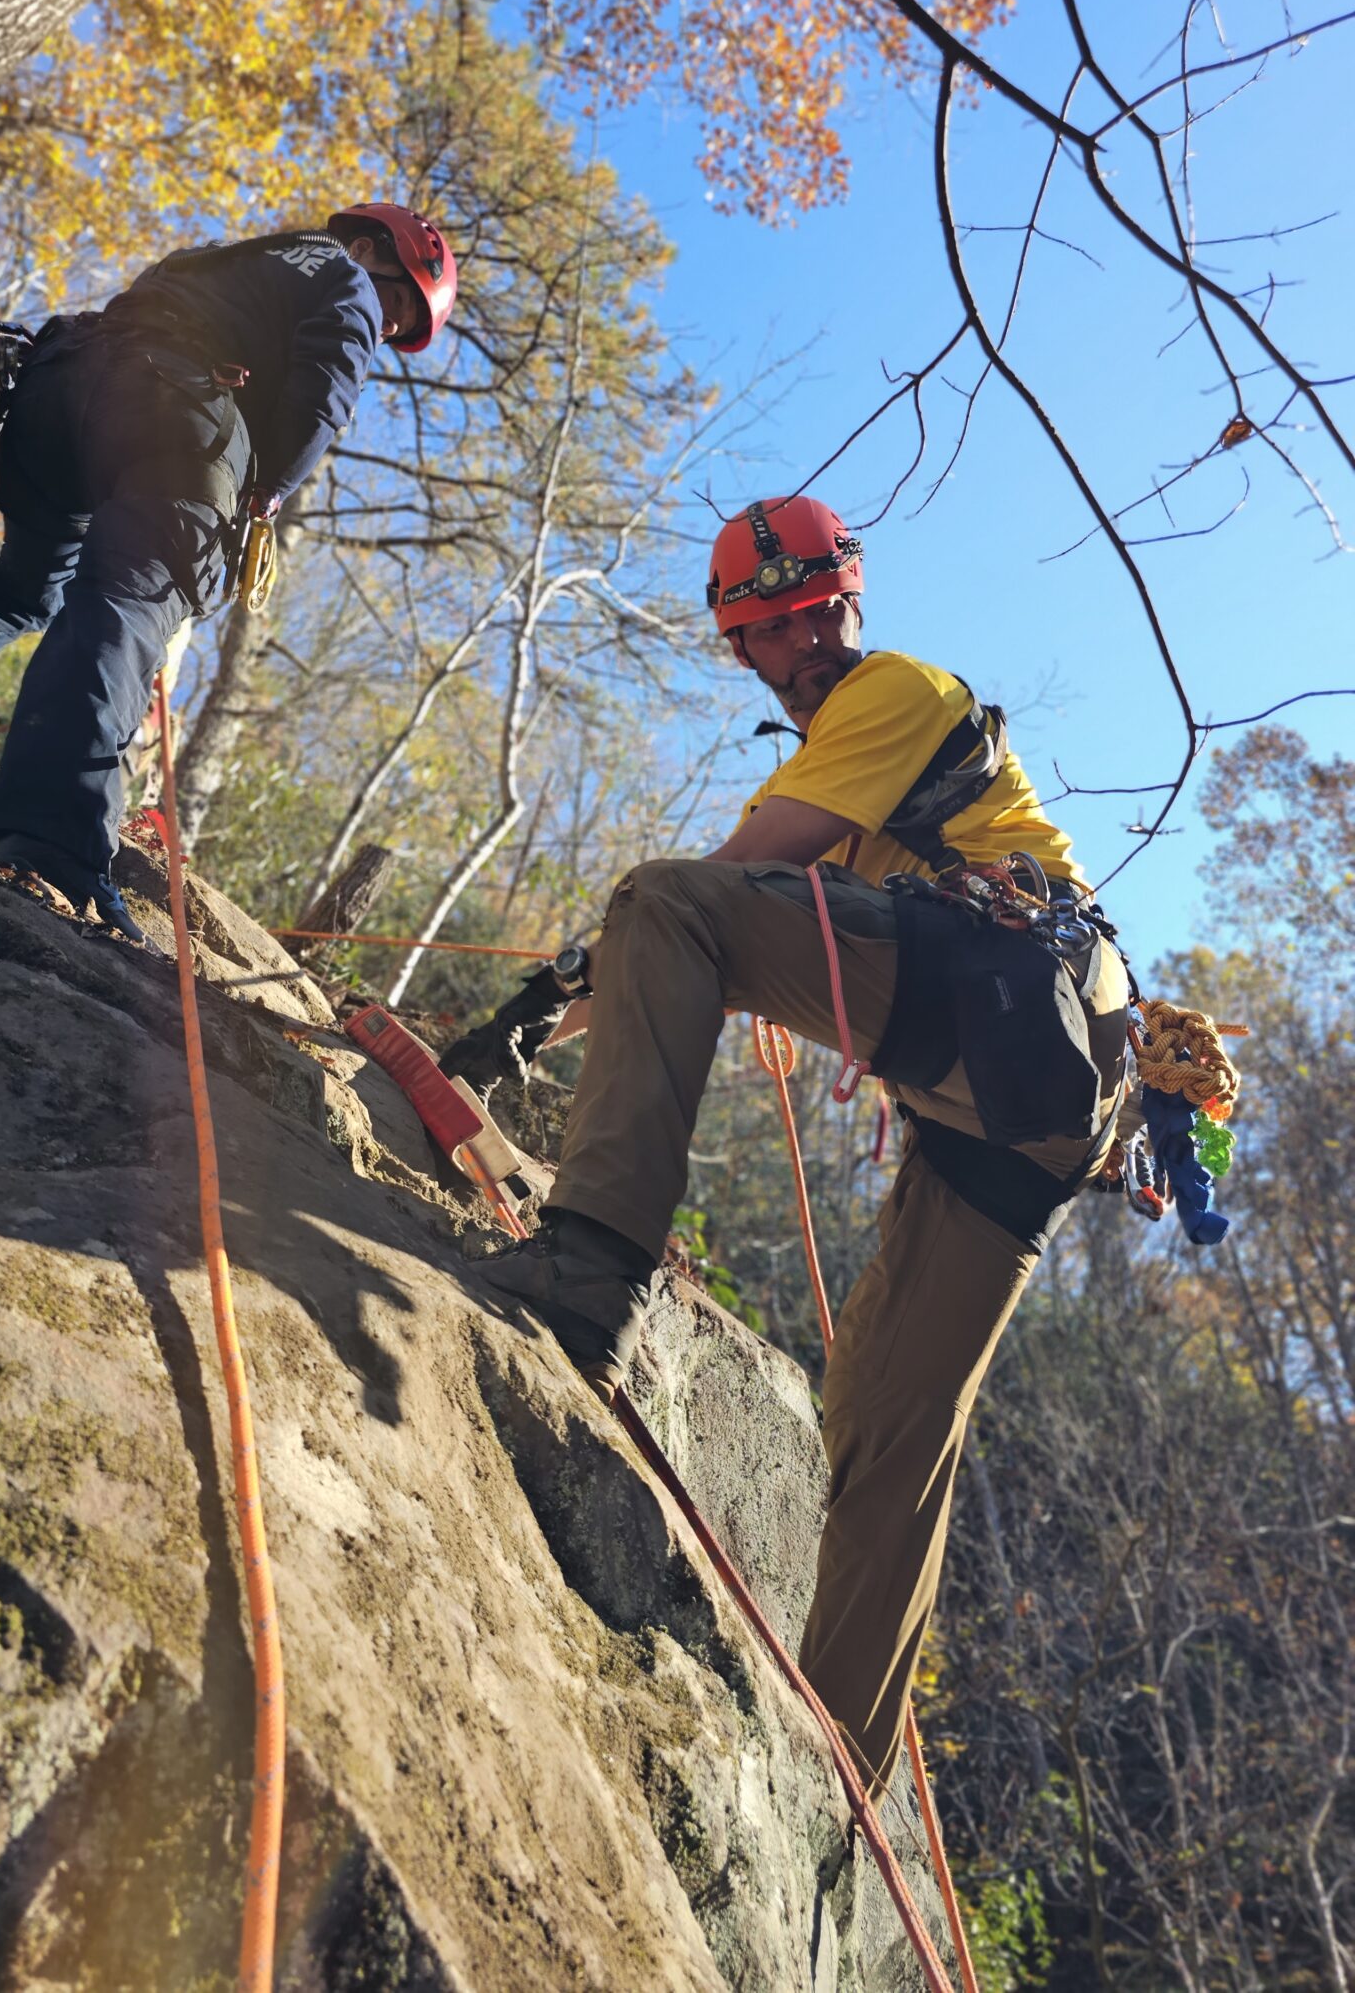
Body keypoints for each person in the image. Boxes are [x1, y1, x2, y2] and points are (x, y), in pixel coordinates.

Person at [441, 494, 1131, 1805]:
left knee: (658, 895)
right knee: (883, 1418)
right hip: (1037, 1091)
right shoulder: (851, 755)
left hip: (1002, 1001)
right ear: (741, 649)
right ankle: (845, 1780)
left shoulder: (900, 694)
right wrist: (542, 1017)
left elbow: (724, 884)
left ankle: (591, 1268)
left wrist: (566, 991)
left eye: (814, 611)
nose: (801, 641)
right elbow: (724, 911)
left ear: (851, 602)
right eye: (769, 628)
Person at [0, 203, 457, 938]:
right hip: (173, 413)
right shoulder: (347, 278)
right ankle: (50, 848)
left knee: (25, 590)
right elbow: (325, 398)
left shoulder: (226, 256)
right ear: (369, 247)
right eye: (397, 303)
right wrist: (262, 496)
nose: (385, 322)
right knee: (126, 600)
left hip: (56, 387)